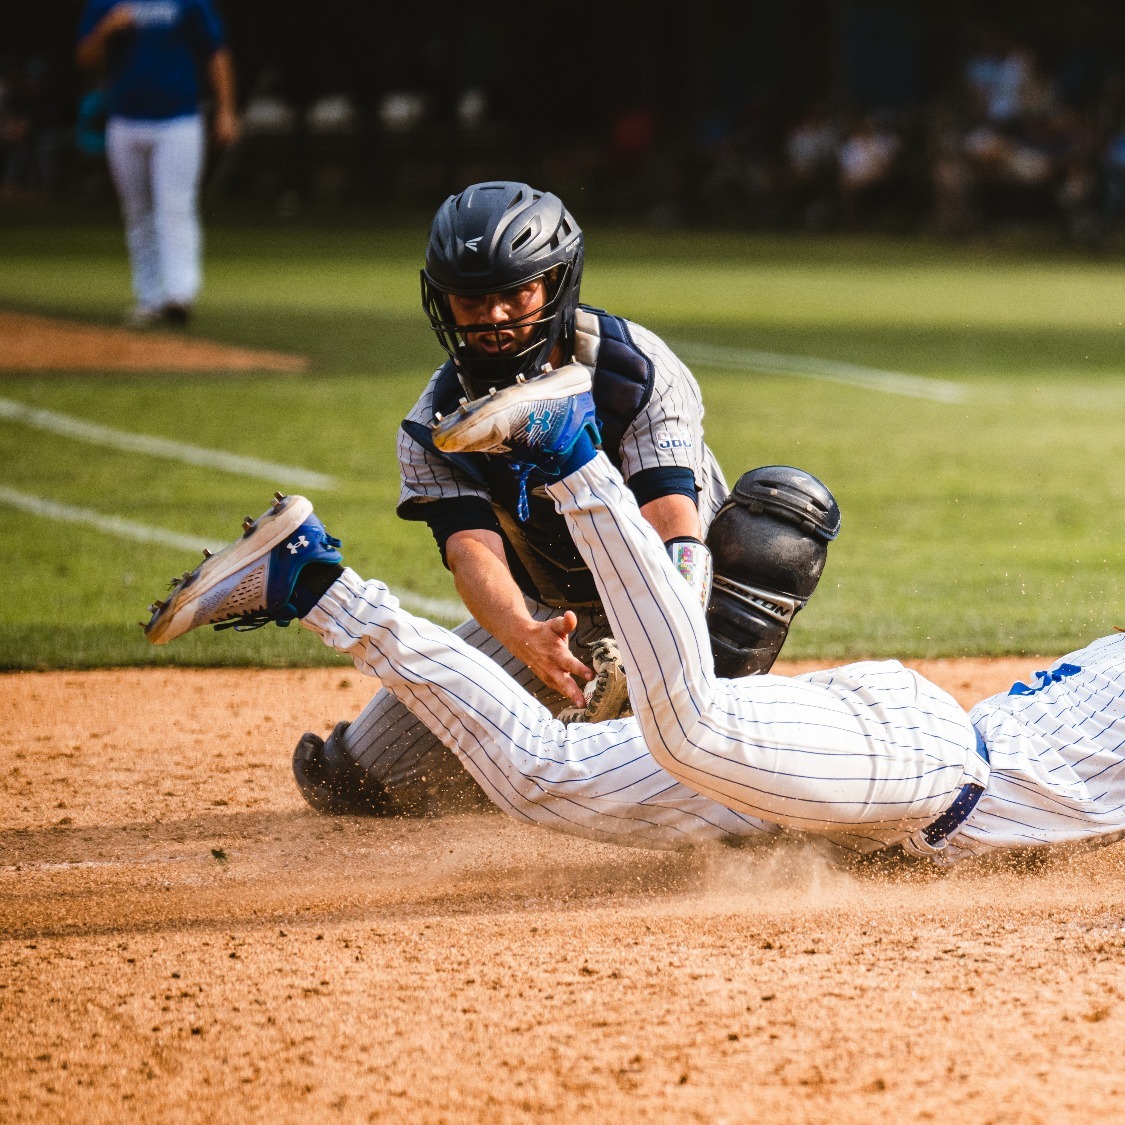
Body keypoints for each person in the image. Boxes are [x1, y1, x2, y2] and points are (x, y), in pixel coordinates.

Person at [141, 376, 1125, 863]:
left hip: (875, 759)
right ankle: (570, 454)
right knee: (686, 722)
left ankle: (316, 582)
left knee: (549, 777)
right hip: (910, 771)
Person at [288, 180, 841, 820]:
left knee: (782, 517)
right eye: (472, 299)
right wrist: (527, 638)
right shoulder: (433, 427)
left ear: (556, 284)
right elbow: (472, 554)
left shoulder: (634, 370)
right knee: (362, 783)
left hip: (687, 585)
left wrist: (665, 638)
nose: (493, 316)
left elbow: (675, 526)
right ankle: (583, 748)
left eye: (514, 293)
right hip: (560, 611)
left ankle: (726, 744)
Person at [75, 0, 238, 328]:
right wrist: (106, 29)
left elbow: (216, 50)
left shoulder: (188, 3)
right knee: (137, 212)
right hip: (125, 119)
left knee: (175, 207)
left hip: (179, 118)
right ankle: (149, 298)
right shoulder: (107, 3)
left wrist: (225, 110)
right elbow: (85, 59)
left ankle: (179, 295)